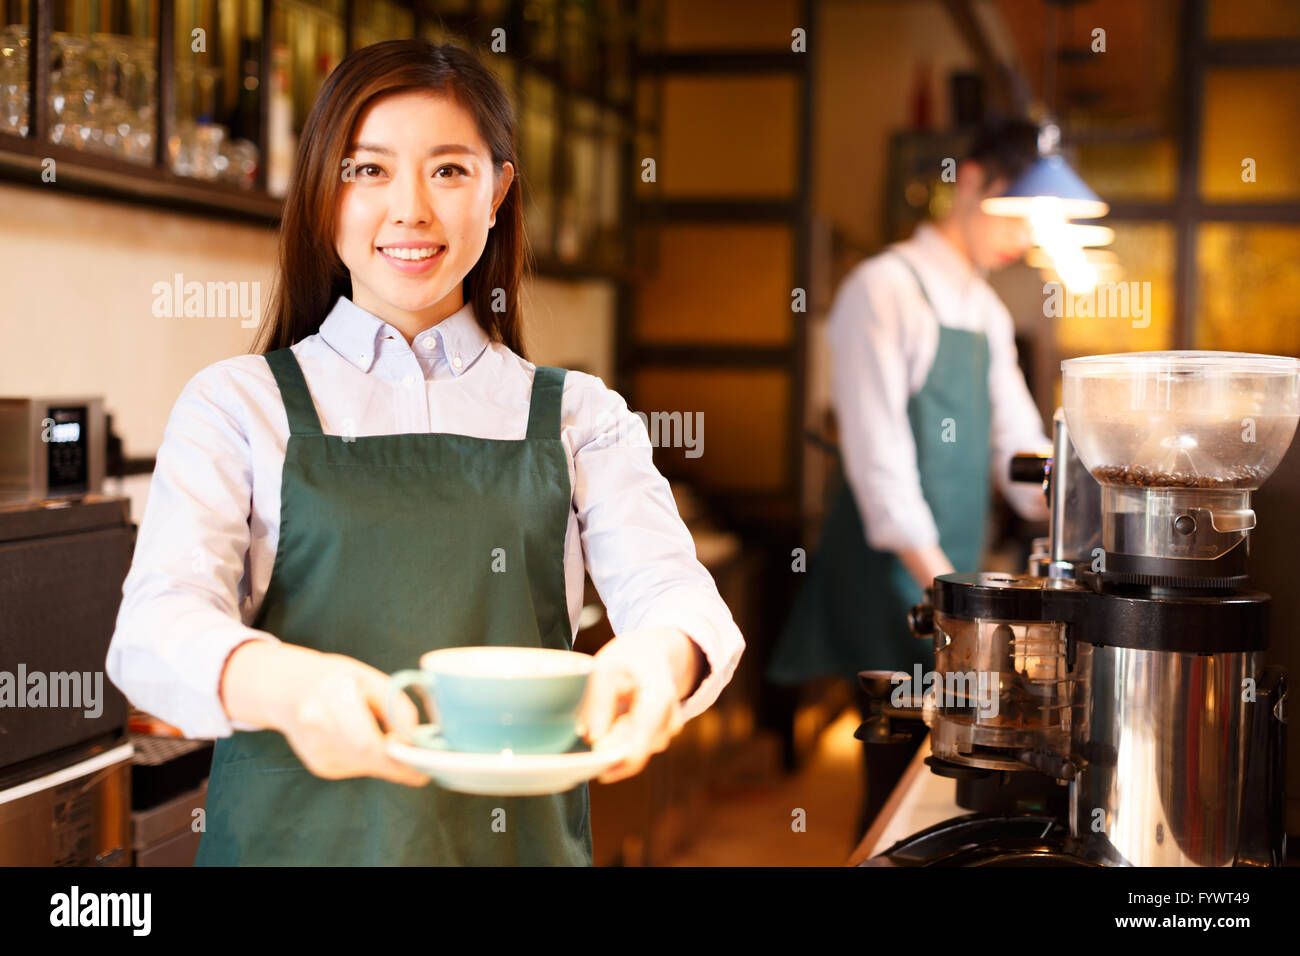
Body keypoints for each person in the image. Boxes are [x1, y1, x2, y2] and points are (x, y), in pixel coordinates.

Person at [106, 39, 744, 866]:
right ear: (321, 191)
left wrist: (656, 662)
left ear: (498, 191)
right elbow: (153, 631)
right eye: (367, 170)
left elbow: (678, 597)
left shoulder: (581, 416)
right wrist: (295, 689)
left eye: (448, 170)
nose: (410, 209)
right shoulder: (236, 403)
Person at [766, 119, 1052, 840]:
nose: (1026, 236)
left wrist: (1071, 505)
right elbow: (878, 459)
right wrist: (949, 597)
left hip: (945, 572)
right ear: (975, 182)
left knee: (940, 765)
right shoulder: (883, 287)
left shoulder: (984, 310)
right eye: (1018, 211)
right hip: (888, 570)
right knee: (895, 764)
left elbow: (1017, 444)